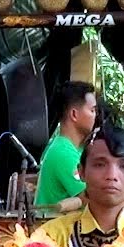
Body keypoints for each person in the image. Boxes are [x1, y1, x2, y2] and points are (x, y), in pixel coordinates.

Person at [35, 81, 98, 210]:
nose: (95, 116)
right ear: (74, 114)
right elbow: (94, 199)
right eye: (92, 110)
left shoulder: (77, 149)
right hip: (52, 228)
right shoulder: (62, 152)